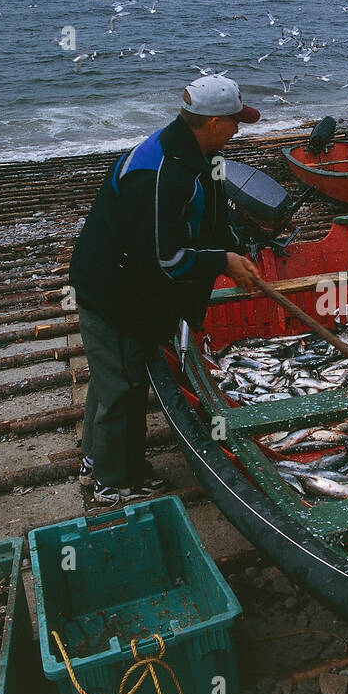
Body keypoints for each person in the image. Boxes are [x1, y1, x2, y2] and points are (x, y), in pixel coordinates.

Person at [69, 74, 263, 505]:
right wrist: (222, 262)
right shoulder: (160, 172)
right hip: (112, 290)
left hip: (134, 284)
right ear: (212, 124)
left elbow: (211, 219)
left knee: (110, 379)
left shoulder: (198, 153)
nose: (239, 129)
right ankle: (113, 484)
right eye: (234, 121)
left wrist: (233, 253)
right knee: (121, 385)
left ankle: (96, 462)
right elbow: (168, 258)